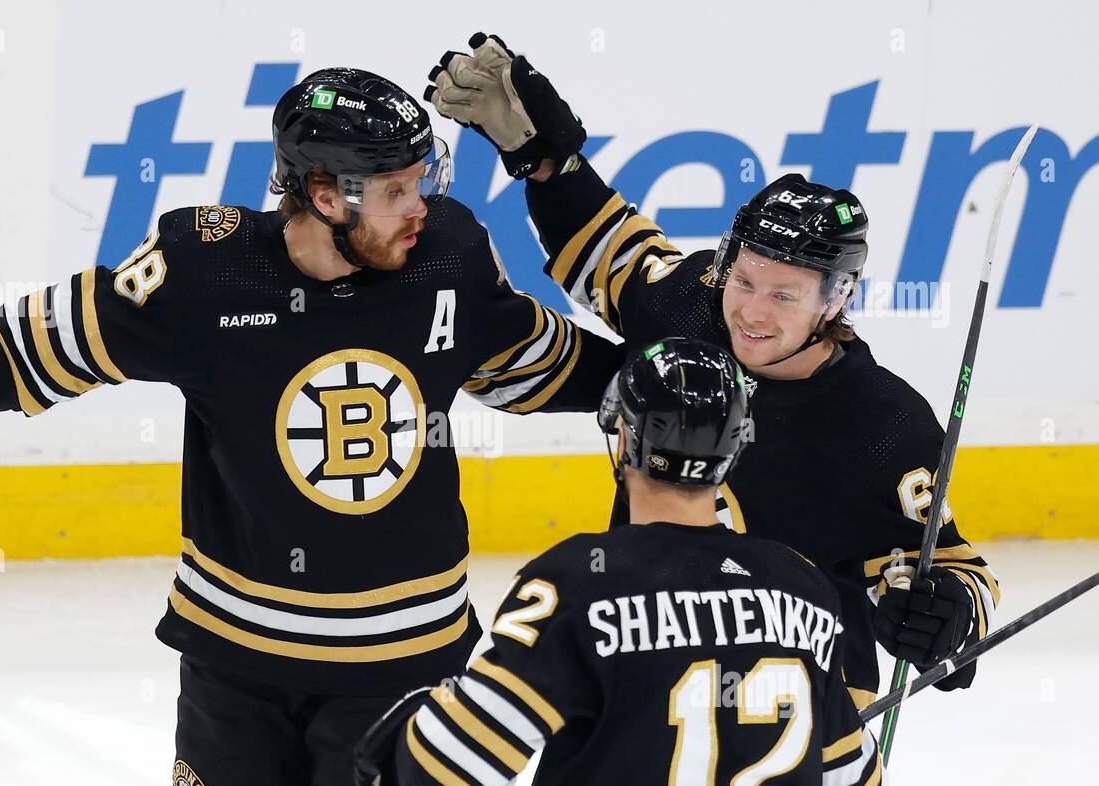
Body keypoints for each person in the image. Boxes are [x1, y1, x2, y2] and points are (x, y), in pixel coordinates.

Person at [0, 67, 621, 786]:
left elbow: (536, 364)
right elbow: (38, 347)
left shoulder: (447, 255)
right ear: (322, 193)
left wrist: (664, 378)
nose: (420, 207)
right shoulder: (205, 272)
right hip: (235, 669)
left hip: (399, 665)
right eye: (394, 191)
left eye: (423, 183)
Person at [424, 34, 1000, 715]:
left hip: (800, 709)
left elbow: (959, 570)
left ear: (836, 299)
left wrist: (949, 616)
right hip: (643, 660)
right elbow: (604, 246)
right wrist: (547, 164)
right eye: (746, 280)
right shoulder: (691, 299)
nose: (751, 313)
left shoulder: (883, 425)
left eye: (784, 295)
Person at [355, 338, 884, 786]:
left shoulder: (579, 585)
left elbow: (456, 765)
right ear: (736, 447)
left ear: (624, 435)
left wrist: (388, 757)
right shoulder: (803, 590)